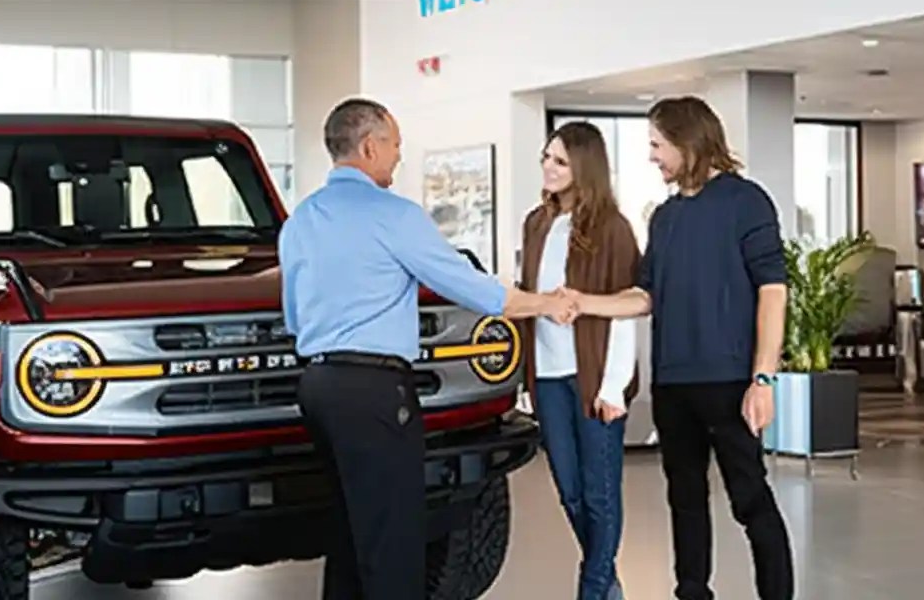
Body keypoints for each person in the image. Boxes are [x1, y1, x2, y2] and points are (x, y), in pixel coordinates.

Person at [278, 97, 570, 600]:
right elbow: (472, 288)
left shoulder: (300, 219)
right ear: (369, 147)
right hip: (373, 391)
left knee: (349, 532)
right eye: (394, 145)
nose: (397, 156)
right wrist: (546, 303)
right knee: (393, 540)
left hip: (318, 388)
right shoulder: (393, 215)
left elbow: (294, 316)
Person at [559, 96, 795, 600]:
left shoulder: (746, 201)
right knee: (684, 499)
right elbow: (645, 297)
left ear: (688, 142)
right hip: (675, 384)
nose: (651, 156)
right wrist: (585, 302)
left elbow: (773, 291)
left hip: (731, 381)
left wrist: (763, 379)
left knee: (749, 500)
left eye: (657, 144)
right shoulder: (664, 217)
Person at [517, 121, 640, 600]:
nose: (549, 167)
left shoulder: (612, 228)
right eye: (546, 157)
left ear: (584, 168)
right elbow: (530, 298)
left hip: (592, 378)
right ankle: (607, 584)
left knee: (599, 493)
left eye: (560, 161)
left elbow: (628, 308)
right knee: (570, 491)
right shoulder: (536, 222)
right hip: (546, 377)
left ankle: (592, 589)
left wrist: (614, 387)